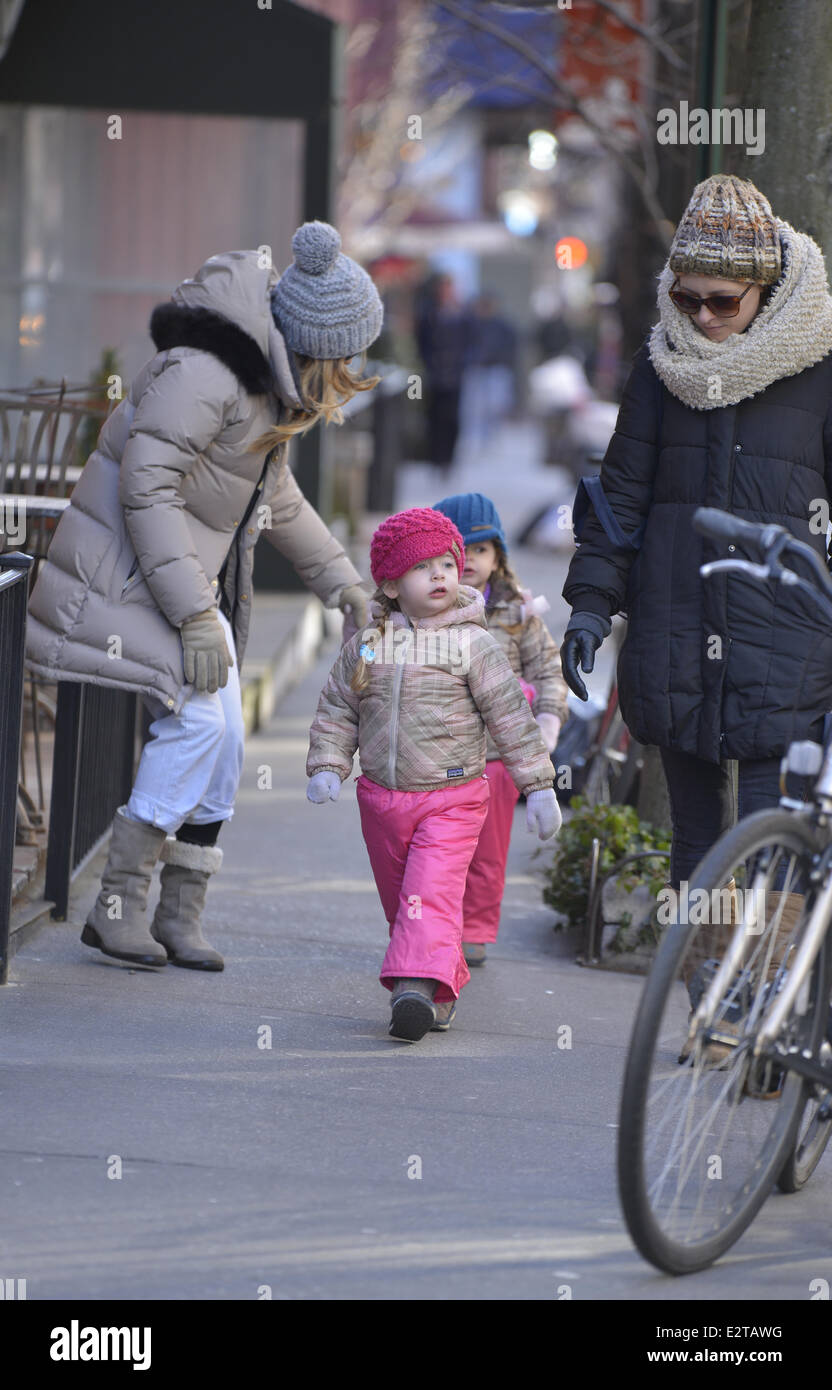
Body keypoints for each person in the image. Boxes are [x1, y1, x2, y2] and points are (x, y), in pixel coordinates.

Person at [26, 223, 382, 973]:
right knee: (196, 726)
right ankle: (117, 904)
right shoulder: (206, 375)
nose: (348, 374)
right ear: (316, 343)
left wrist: (343, 581)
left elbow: (273, 499)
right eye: (345, 357)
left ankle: (179, 912)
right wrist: (194, 616)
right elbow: (144, 489)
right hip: (123, 581)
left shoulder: (262, 388)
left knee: (225, 742)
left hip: (174, 584)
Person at [560, 173, 832, 974]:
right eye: (686, 300)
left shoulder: (820, 369)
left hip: (788, 640)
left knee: (763, 837)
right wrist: (589, 606)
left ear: (766, 289)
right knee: (695, 839)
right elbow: (621, 503)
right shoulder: (659, 369)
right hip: (677, 631)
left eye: (723, 301)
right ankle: (706, 1005)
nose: (703, 318)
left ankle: (758, 1008)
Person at [305, 507, 561, 1042]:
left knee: (432, 893)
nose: (441, 574)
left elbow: (511, 719)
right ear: (393, 585)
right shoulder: (369, 643)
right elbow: (337, 708)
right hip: (381, 800)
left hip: (453, 797)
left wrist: (538, 786)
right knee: (405, 901)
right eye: (424, 567)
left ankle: (414, 990)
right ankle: (438, 989)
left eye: (448, 563)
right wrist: (330, 764)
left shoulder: (475, 644)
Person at [431, 492, 568, 965]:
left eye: (482, 550)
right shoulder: (424, 610)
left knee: (486, 855)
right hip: (438, 758)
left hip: (498, 759)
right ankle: (434, 923)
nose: (469, 560)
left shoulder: (517, 614)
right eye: (458, 551)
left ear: (499, 557)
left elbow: (549, 670)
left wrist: (547, 720)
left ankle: (476, 928)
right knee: (437, 854)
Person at [415, 273, 471, 474]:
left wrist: (462, 363)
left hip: (455, 375)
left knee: (453, 418)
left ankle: (449, 458)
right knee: (434, 417)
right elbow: (422, 343)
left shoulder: (461, 314)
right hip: (435, 374)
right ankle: (436, 457)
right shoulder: (429, 313)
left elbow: (470, 341)